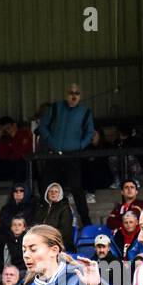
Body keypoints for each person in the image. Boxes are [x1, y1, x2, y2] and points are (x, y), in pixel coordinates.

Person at [35, 84, 94, 225]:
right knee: (47, 187)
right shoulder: (55, 108)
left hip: (72, 155)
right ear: (66, 94)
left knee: (76, 188)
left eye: (77, 93)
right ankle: (44, 219)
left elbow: (90, 132)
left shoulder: (85, 111)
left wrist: (80, 145)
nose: (74, 96)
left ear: (80, 96)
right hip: (54, 154)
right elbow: (42, 126)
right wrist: (51, 142)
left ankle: (86, 221)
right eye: (71, 93)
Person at [0, 117, 34, 203]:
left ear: (14, 125)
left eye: (8, 128)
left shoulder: (24, 134)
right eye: (5, 130)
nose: (7, 131)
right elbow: (2, 156)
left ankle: (15, 197)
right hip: (11, 165)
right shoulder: (4, 138)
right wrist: (0, 138)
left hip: (25, 166)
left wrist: (12, 141)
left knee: (20, 163)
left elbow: (21, 153)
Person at [32, 182, 75, 251]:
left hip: (58, 241)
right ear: (47, 193)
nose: (53, 193)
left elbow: (65, 231)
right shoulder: (42, 207)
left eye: (56, 191)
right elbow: (35, 223)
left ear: (60, 194)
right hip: (41, 238)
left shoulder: (65, 208)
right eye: (51, 191)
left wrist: (47, 235)